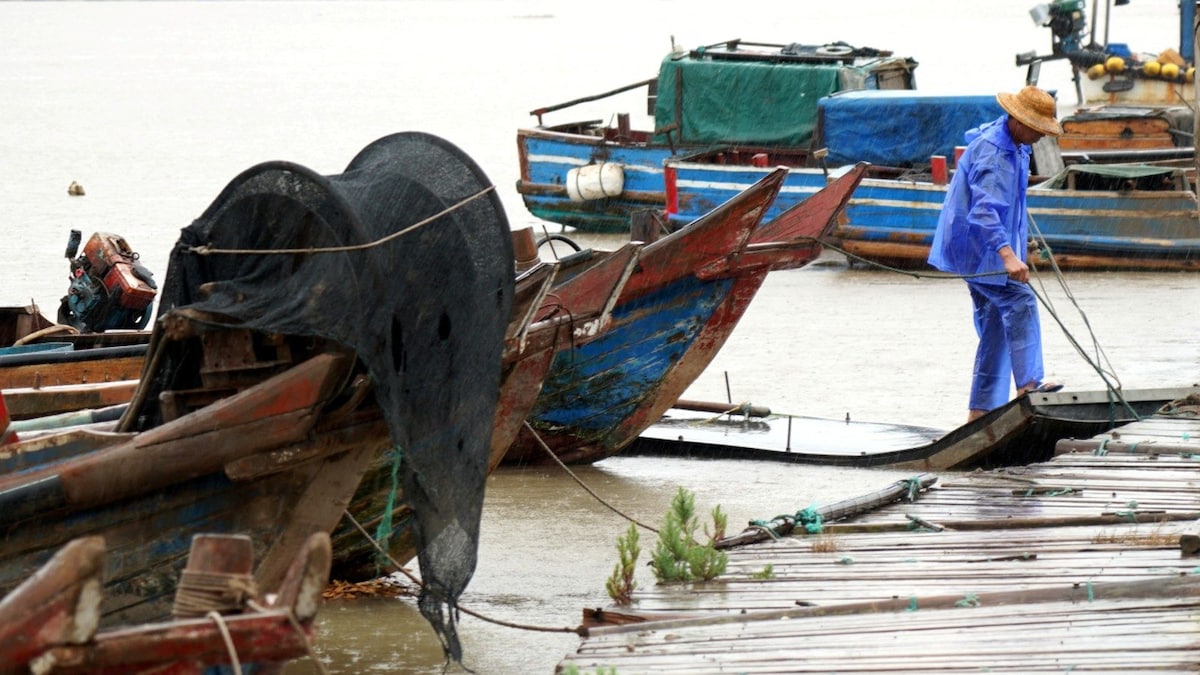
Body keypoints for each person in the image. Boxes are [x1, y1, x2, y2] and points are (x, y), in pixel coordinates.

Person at [927, 85, 1064, 423]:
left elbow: (1011, 204)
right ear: (1018, 120)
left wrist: (1020, 246)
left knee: (996, 328)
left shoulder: (1014, 143)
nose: (1039, 137)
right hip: (979, 249)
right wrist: (1007, 255)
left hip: (987, 246)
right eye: (1037, 129)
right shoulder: (996, 153)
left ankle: (980, 414)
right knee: (1021, 302)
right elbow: (985, 212)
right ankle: (1030, 384)